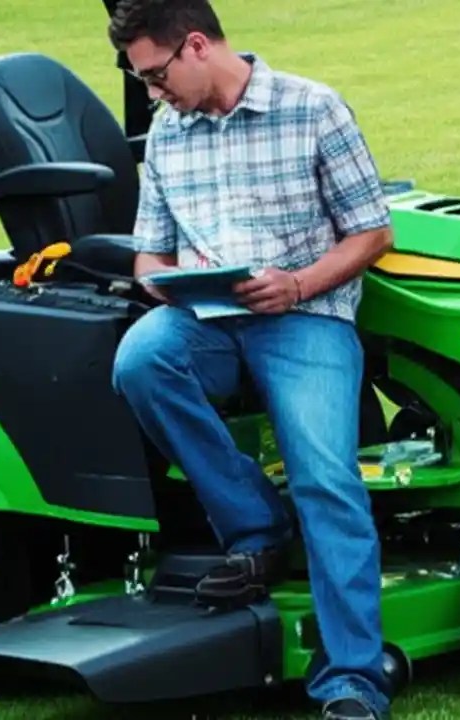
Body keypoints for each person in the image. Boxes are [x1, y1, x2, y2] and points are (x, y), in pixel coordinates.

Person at [106, 1, 395, 718]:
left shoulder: (313, 109)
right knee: (140, 359)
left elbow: (372, 232)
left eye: (156, 75)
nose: (152, 94)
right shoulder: (168, 134)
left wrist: (295, 283)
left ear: (197, 45)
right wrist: (165, 281)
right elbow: (151, 250)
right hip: (207, 321)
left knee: (326, 476)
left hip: (305, 317)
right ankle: (257, 525)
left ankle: (352, 678)